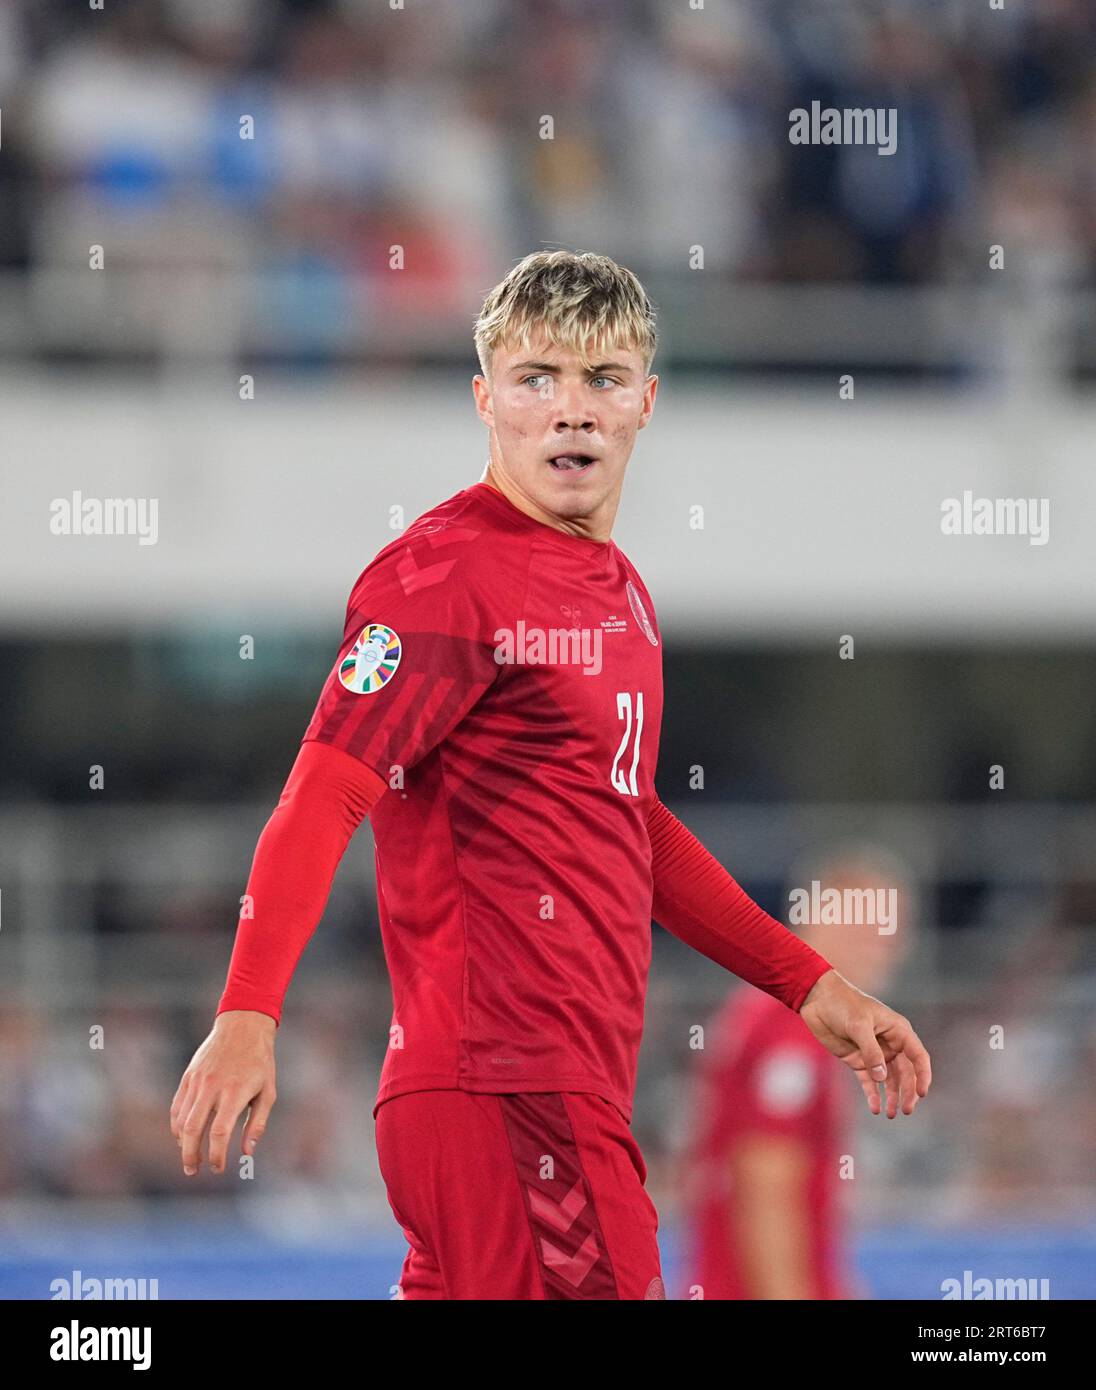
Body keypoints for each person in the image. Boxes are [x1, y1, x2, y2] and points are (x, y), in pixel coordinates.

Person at [169, 250, 931, 1300]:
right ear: (486, 399)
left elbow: (635, 828)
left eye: (602, 380)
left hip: (530, 1094)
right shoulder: (441, 573)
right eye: (537, 379)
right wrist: (249, 1009)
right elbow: (324, 793)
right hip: (509, 1089)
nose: (570, 411)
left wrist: (803, 979)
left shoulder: (621, 594)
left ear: (646, 403)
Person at [680, 843, 919, 1300]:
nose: (885, 950)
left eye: (891, 934)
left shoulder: (764, 1014)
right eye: (869, 931)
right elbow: (766, 1184)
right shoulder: (789, 1029)